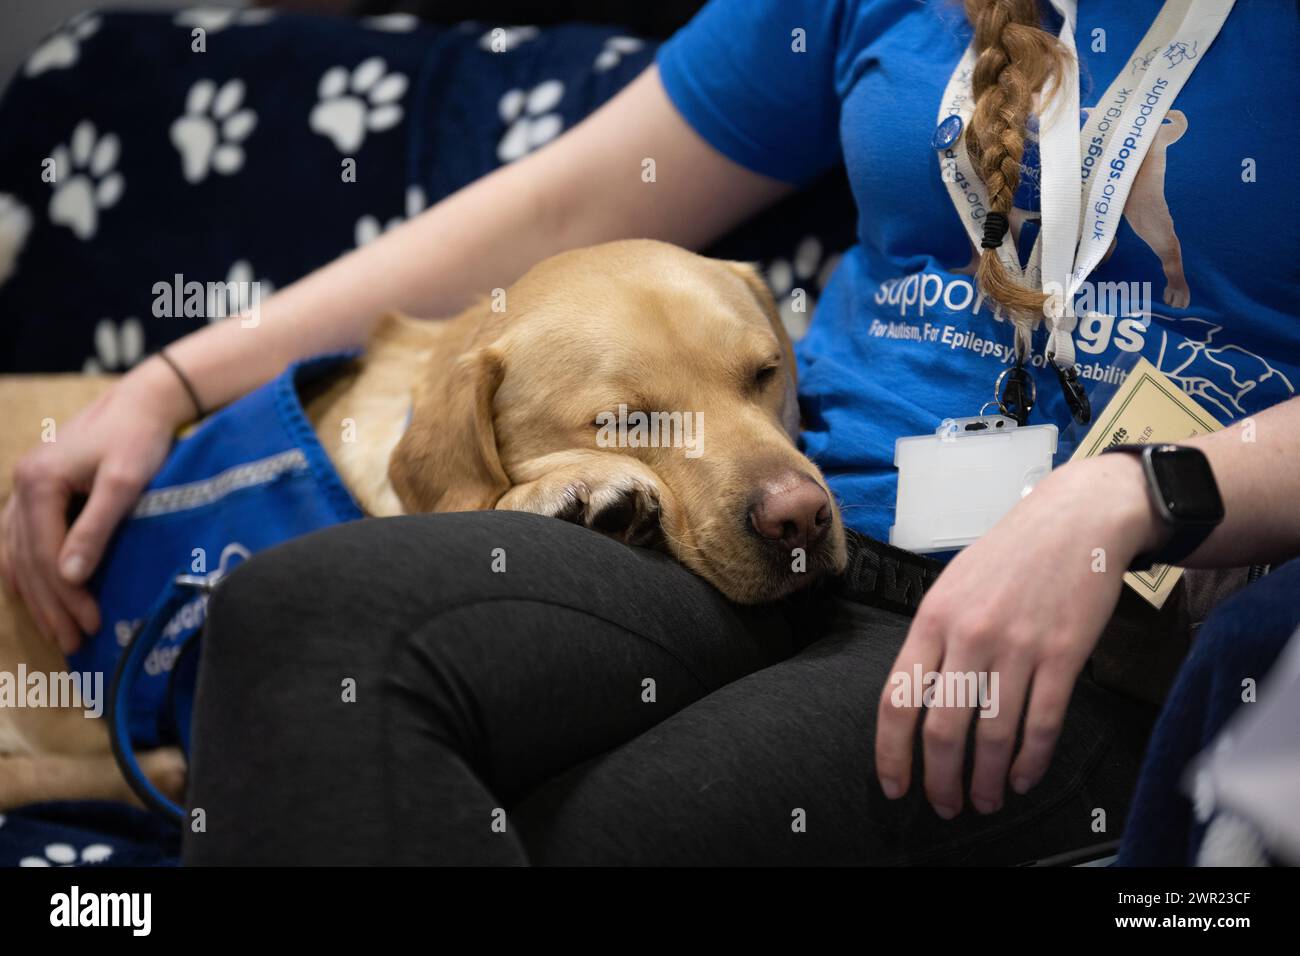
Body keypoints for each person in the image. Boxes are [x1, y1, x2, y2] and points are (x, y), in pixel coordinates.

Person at [3, 0, 1298, 863]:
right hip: (773, 521)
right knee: (299, 613)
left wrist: (1135, 493)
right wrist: (173, 382)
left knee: (602, 834)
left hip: (1109, 599)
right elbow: (560, 204)